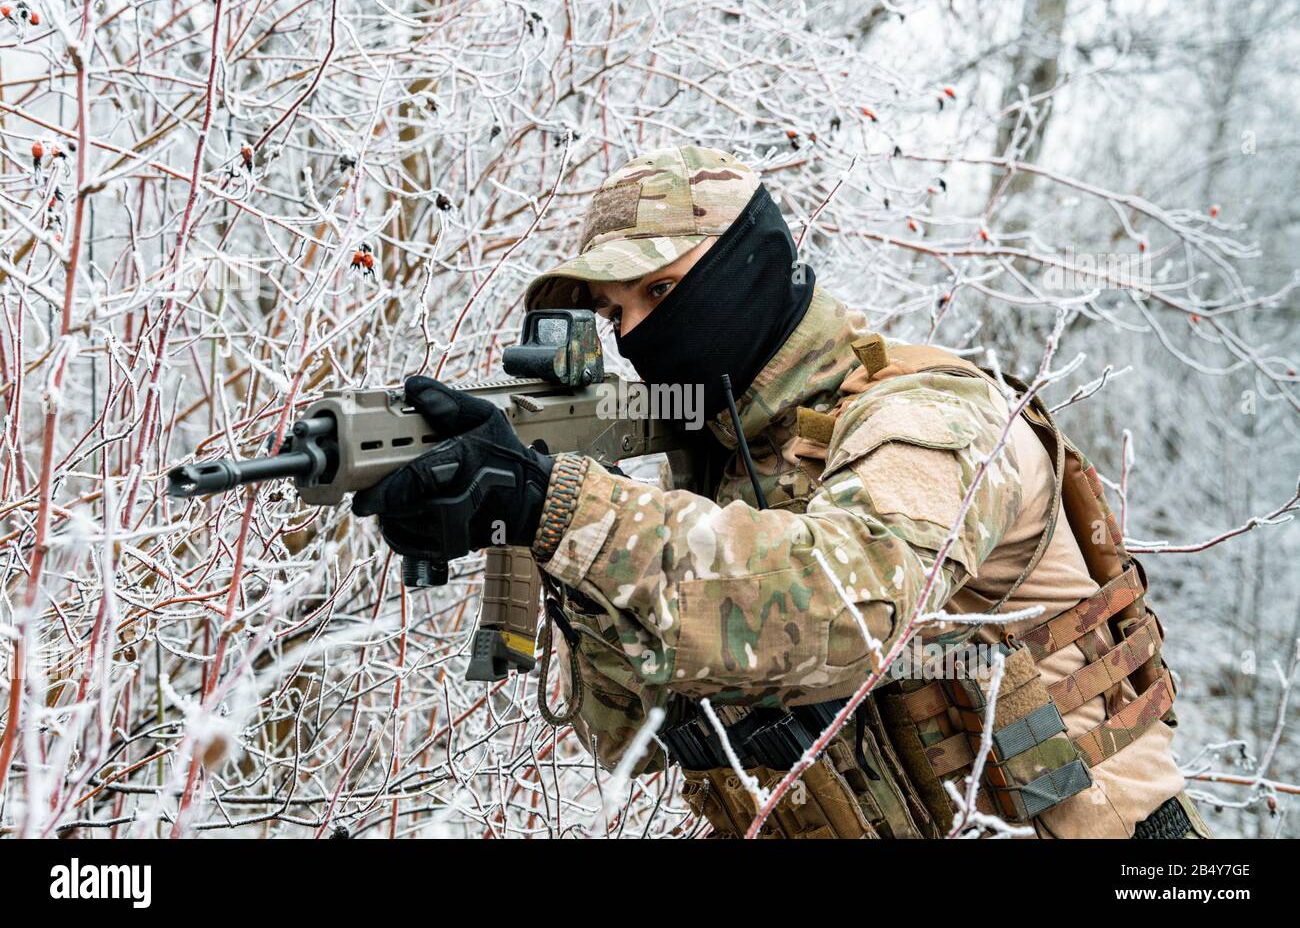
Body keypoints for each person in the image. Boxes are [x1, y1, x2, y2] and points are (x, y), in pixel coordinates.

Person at [352, 145, 1210, 839]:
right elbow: (631, 737)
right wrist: (558, 545)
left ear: (749, 265)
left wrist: (571, 512)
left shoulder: (924, 414)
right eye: (616, 315)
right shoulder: (723, 466)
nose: (639, 332)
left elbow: (853, 609)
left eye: (660, 290)